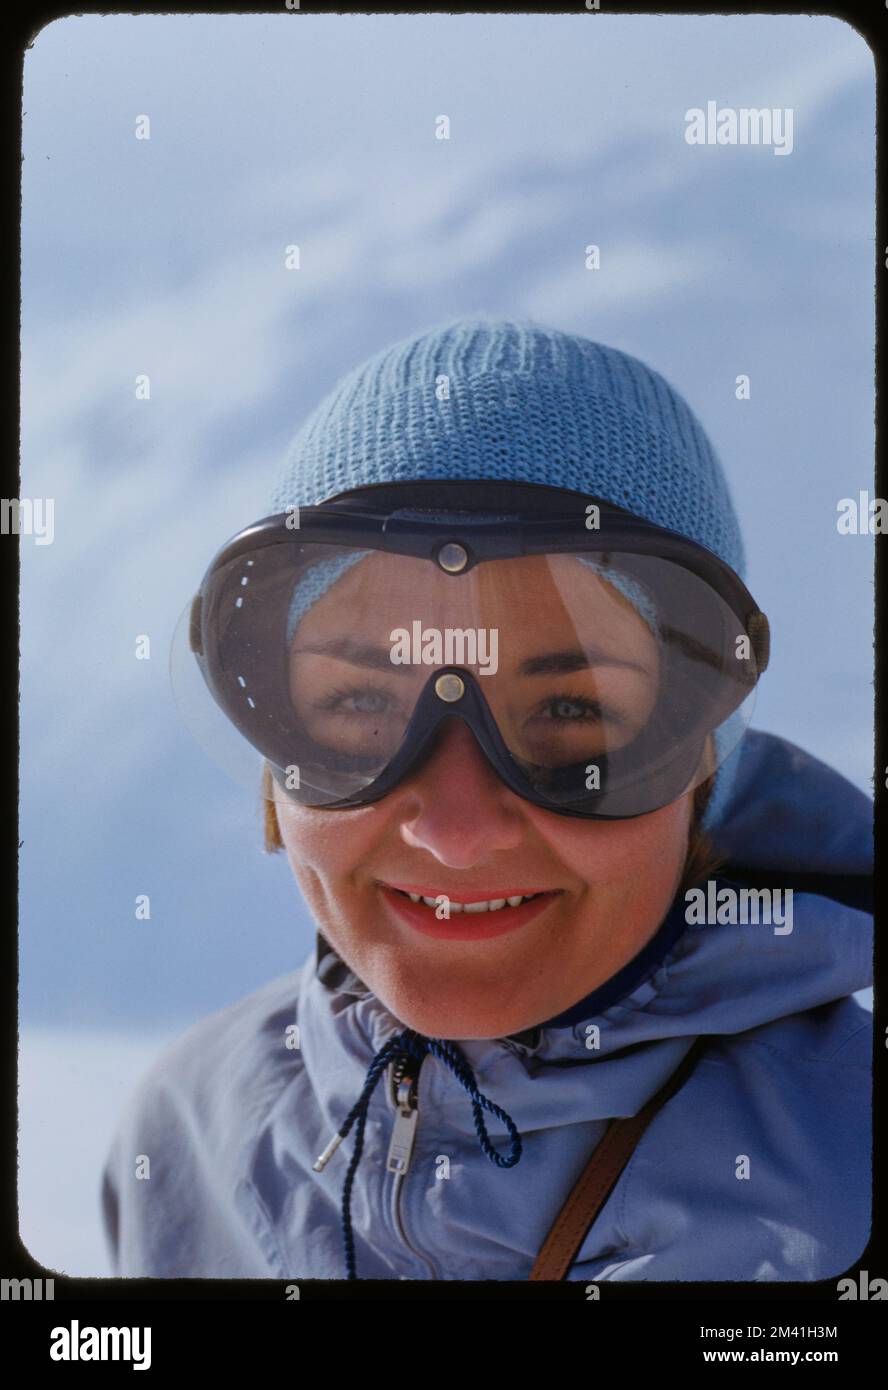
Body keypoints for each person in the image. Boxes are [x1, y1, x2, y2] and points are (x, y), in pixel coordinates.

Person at [100, 315, 873, 1282]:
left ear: (700, 758)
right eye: (360, 706)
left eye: (568, 712)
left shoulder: (849, 1190)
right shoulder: (190, 1137)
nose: (455, 833)